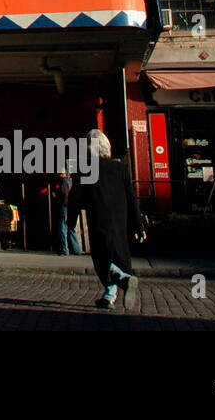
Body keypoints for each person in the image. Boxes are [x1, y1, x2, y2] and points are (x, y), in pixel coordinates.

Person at [69, 129, 146, 309]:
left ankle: (124, 280)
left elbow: (75, 198)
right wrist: (139, 226)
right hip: (120, 220)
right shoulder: (120, 168)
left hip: (99, 218)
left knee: (102, 258)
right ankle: (109, 295)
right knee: (116, 255)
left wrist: (71, 221)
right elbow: (131, 198)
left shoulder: (86, 168)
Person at [55, 166, 81, 256]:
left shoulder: (64, 182)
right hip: (73, 206)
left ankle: (65, 249)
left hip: (65, 206)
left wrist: (61, 199)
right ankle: (77, 250)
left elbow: (65, 194)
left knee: (63, 227)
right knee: (71, 228)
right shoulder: (70, 181)